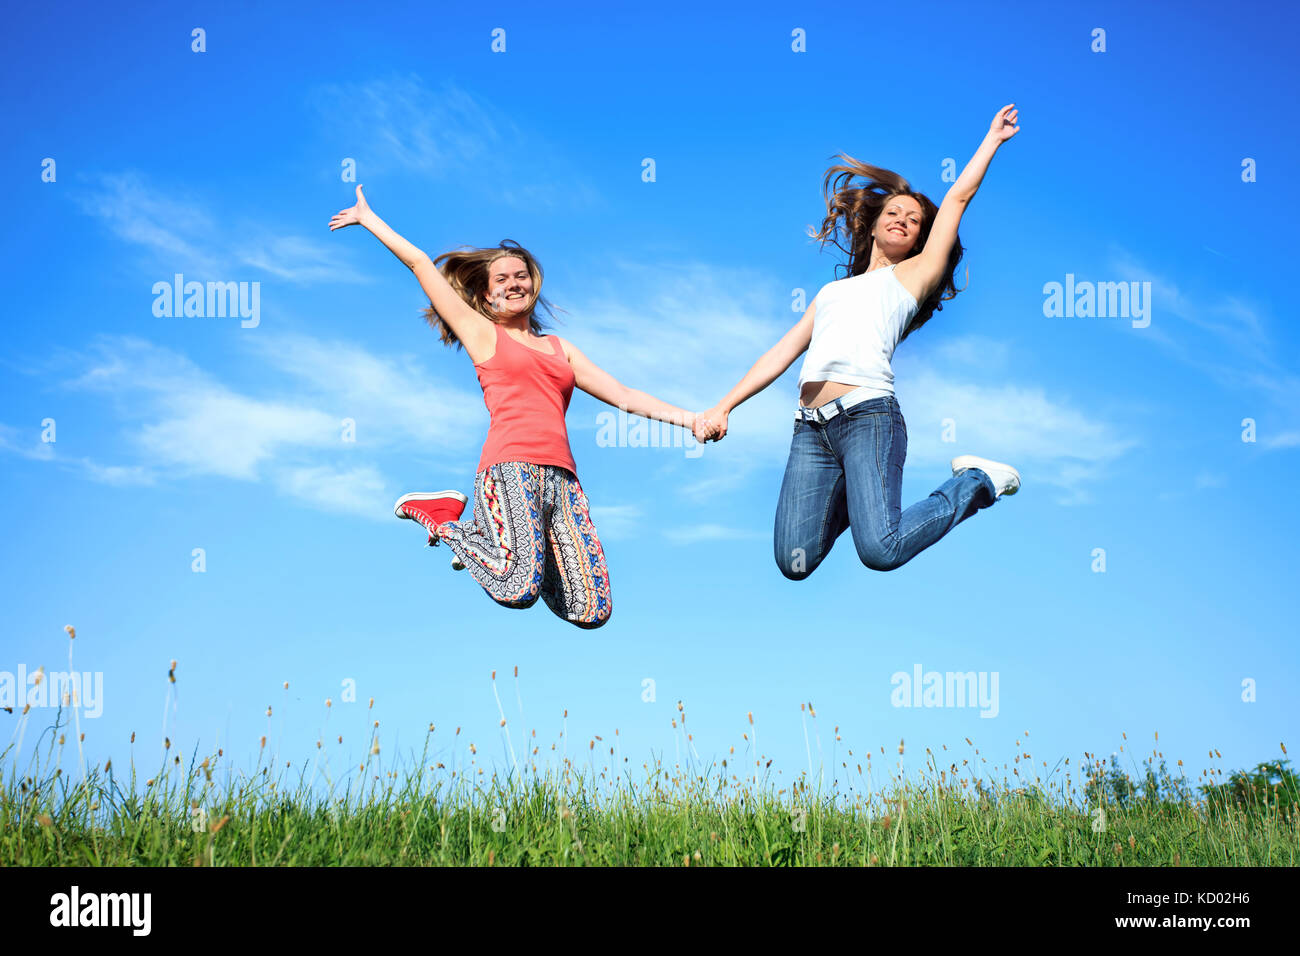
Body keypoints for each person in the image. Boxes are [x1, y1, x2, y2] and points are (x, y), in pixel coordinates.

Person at [330, 186, 699, 627]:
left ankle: (494, 545)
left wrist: (692, 419)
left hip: (563, 480)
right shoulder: (483, 334)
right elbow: (419, 264)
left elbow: (625, 396)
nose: (513, 284)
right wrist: (369, 219)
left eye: (520, 275)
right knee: (516, 588)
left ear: (533, 284)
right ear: (487, 296)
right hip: (510, 467)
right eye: (501, 279)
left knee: (591, 608)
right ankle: (446, 520)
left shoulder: (561, 349)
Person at [694, 104, 1023, 580]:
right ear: (872, 224)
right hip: (810, 430)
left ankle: (976, 482)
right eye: (894, 212)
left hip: (869, 418)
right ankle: (862, 489)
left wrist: (991, 140)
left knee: (881, 549)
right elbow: (782, 352)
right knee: (793, 560)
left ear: (917, 241)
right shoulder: (831, 293)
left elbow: (956, 201)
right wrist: (725, 406)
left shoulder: (914, 276)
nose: (904, 220)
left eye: (913, 220)